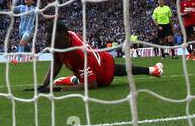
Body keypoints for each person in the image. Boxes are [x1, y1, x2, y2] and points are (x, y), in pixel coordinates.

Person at [34, 14, 162, 93]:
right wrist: (43, 85)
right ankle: (153, 70)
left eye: (54, 41)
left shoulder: (78, 52)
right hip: (95, 62)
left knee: (119, 70)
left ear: (63, 35)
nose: (52, 45)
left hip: (103, 75)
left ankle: (153, 70)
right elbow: (56, 62)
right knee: (120, 69)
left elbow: (91, 85)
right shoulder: (64, 38)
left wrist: (57, 90)